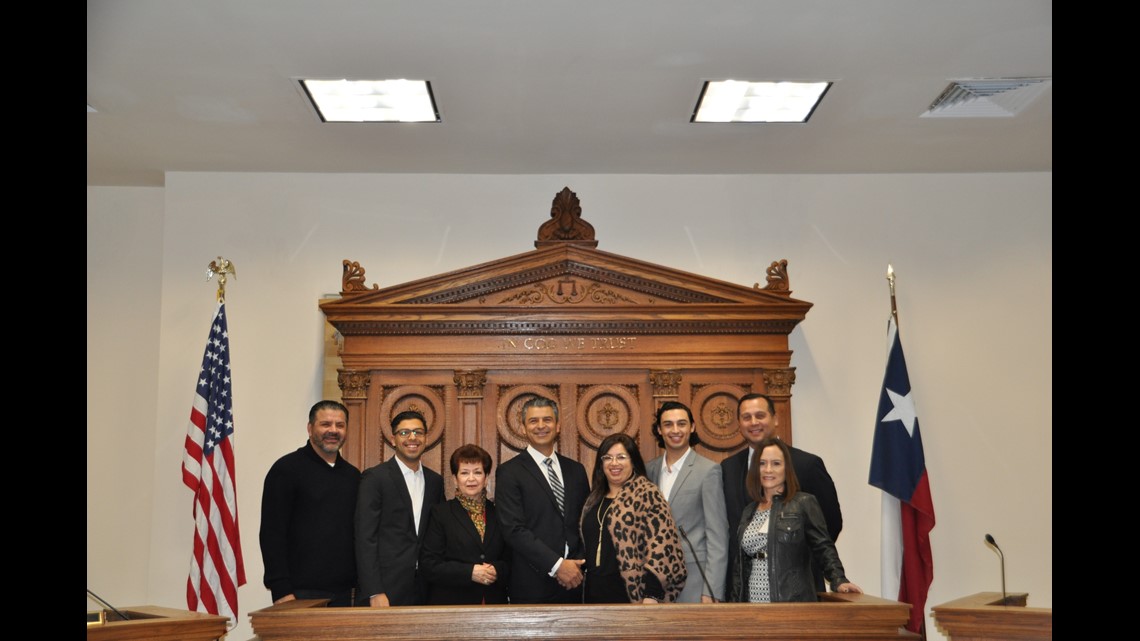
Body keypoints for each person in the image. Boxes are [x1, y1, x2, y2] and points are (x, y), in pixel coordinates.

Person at [721, 393, 842, 595]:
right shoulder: (728, 468)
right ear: (739, 424)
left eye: (760, 415)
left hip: (795, 588)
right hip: (746, 590)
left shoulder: (807, 464)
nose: (753, 422)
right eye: (746, 417)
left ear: (775, 419)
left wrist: (794, 562)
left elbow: (830, 524)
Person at [729, 436, 860, 602]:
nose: (768, 469)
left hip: (791, 601)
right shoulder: (749, 511)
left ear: (786, 468)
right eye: (762, 463)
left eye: (776, 463)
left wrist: (838, 579)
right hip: (752, 601)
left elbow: (823, 546)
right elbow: (739, 567)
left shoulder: (803, 503)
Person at [259, 400, 361, 606]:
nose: (333, 430)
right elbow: (272, 533)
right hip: (298, 594)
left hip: (345, 594)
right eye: (325, 424)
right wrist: (281, 591)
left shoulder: (353, 476)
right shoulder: (286, 470)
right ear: (310, 428)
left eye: (340, 425)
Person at [494, 397, 590, 603]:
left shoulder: (576, 470)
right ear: (524, 427)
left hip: (574, 581)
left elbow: (585, 522)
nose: (540, 426)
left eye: (547, 420)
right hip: (531, 583)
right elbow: (513, 529)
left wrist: (574, 566)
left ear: (557, 426)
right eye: (533, 421)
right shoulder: (509, 472)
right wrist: (557, 566)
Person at [581, 433, 687, 603]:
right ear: (601, 464)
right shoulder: (593, 500)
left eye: (621, 457)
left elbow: (663, 547)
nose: (614, 463)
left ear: (633, 461)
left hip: (632, 597)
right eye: (608, 457)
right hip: (593, 595)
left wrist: (651, 595)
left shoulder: (647, 494)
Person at [355, 410, 444, 606]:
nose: (412, 437)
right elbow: (365, 538)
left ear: (426, 438)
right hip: (385, 590)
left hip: (425, 589)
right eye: (404, 432)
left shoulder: (435, 481)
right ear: (393, 439)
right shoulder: (375, 478)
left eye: (418, 432)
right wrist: (374, 590)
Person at [646, 401, 729, 603]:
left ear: (691, 427)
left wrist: (712, 590)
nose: (675, 430)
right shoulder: (649, 470)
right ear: (659, 429)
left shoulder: (708, 471)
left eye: (681, 424)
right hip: (654, 581)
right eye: (668, 424)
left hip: (695, 581)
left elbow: (718, 535)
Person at [420, 444, 511, 604]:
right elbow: (429, 565)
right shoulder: (440, 513)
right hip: (452, 605)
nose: (471, 479)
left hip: (494, 605)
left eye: (477, 472)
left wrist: (497, 570)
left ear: (486, 479)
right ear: (455, 479)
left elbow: (511, 558)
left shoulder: (499, 513)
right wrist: (470, 572)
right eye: (464, 473)